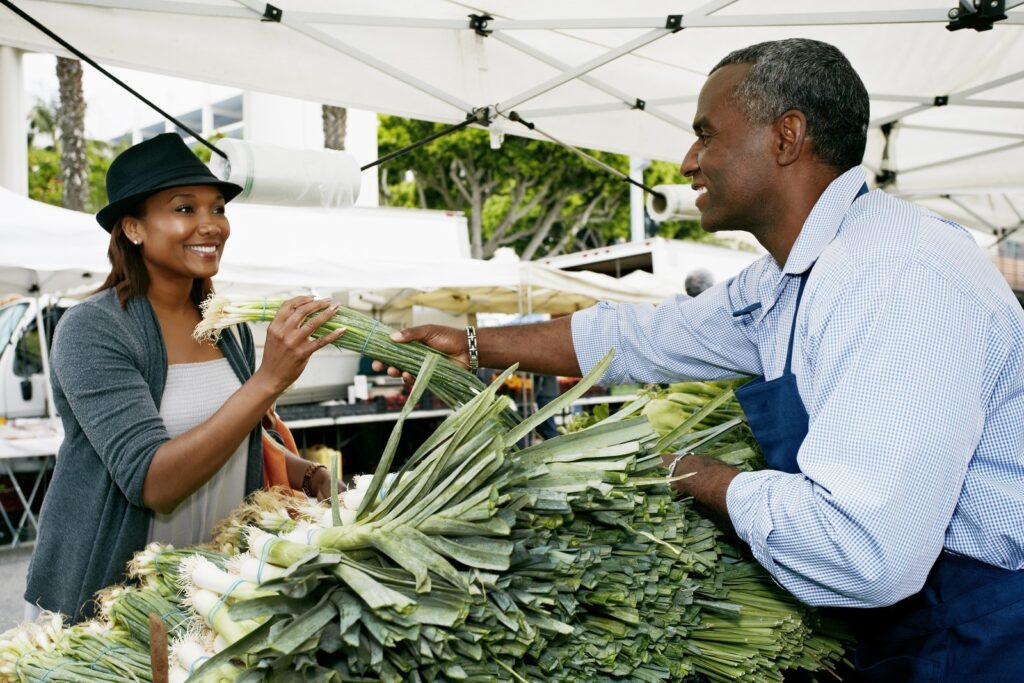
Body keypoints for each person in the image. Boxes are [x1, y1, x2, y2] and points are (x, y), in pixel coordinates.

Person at [374, 39, 1024, 680]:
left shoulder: (894, 280)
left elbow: (866, 550)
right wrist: (475, 343)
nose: (687, 162)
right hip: (910, 622)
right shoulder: (789, 278)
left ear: (786, 137)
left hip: (984, 629)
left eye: (706, 135)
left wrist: (692, 473)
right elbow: (642, 335)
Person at [24, 133, 345, 622]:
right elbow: (153, 482)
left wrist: (309, 474)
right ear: (133, 228)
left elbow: (238, 436)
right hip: (111, 601)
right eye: (184, 208)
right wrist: (268, 380)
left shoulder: (225, 324)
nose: (210, 225)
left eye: (217, 208)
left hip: (209, 589)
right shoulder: (92, 329)